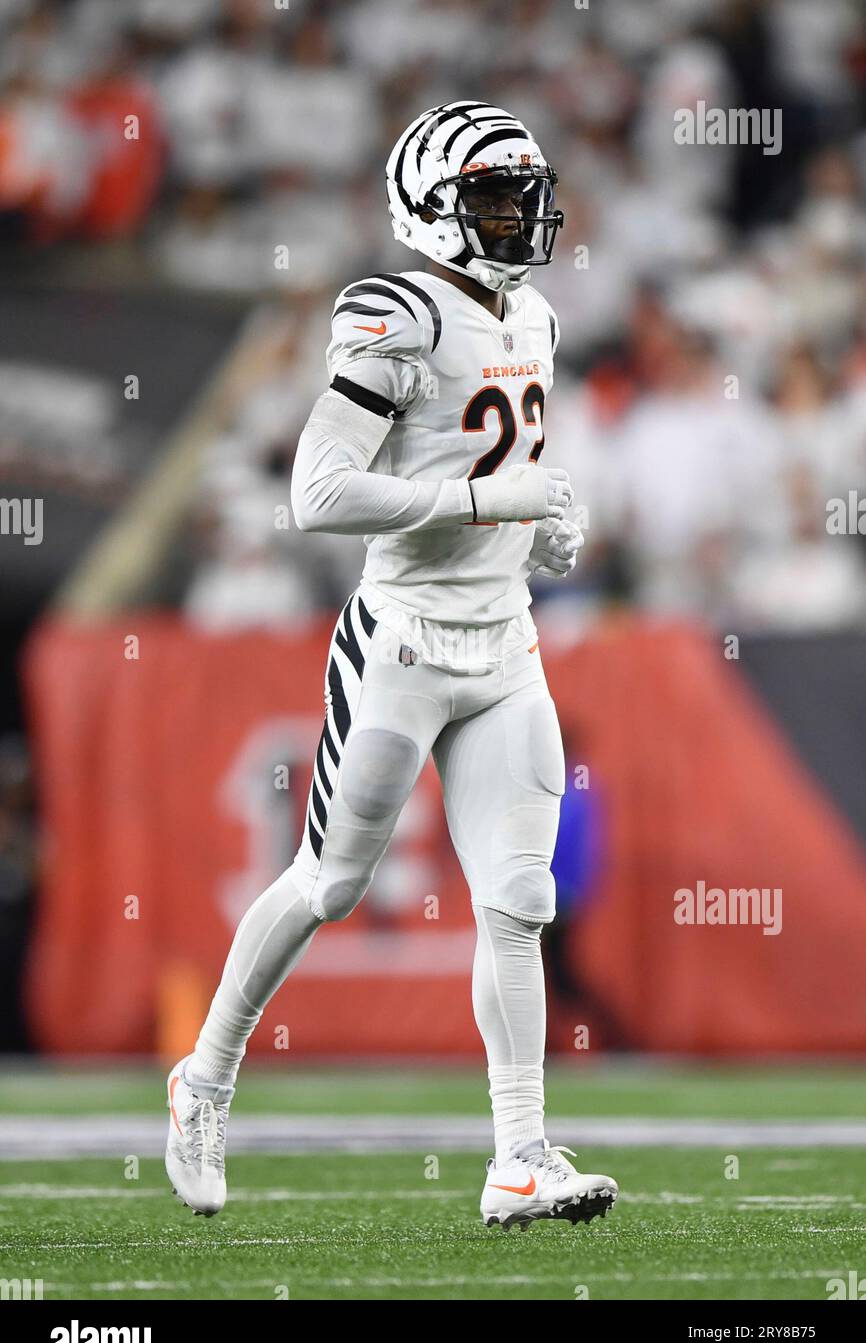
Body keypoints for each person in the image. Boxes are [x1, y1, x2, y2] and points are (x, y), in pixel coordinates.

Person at [165, 101, 618, 1231]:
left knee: (518, 897)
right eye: (495, 198)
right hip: (404, 640)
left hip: (504, 640)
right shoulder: (395, 310)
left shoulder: (537, 318)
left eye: (526, 194)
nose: (521, 217)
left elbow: (506, 466)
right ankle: (204, 1078)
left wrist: (545, 526)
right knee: (330, 880)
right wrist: (483, 500)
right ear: (431, 210)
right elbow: (316, 494)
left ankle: (518, 1154)